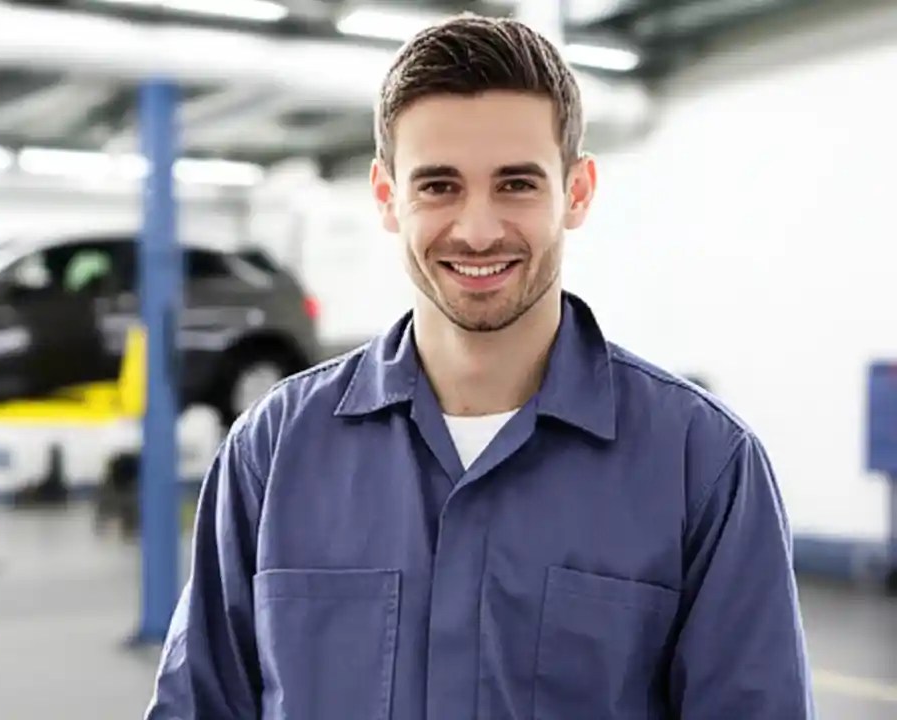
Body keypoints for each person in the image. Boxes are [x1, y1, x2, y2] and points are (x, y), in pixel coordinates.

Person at [146, 12, 815, 720]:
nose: (477, 230)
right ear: (387, 197)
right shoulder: (274, 452)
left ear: (577, 192)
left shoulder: (702, 465)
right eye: (439, 186)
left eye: (516, 184)